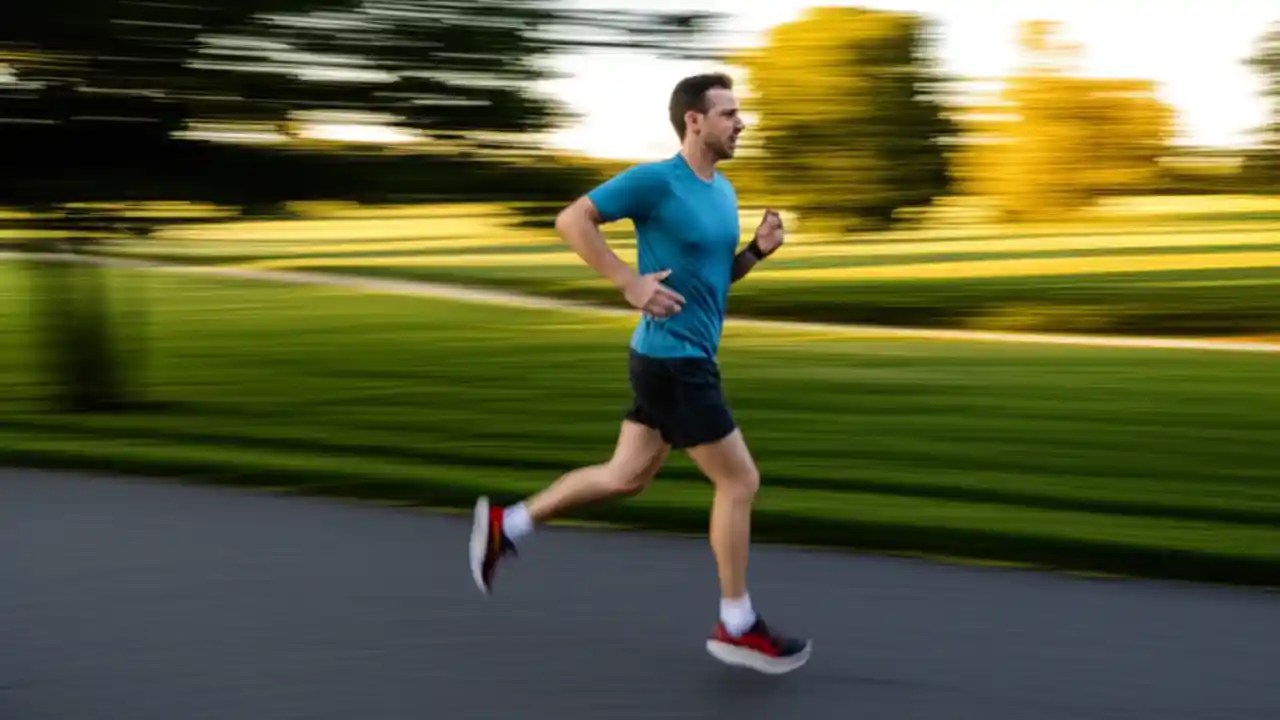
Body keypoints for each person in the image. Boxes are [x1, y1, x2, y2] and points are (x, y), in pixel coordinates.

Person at [469, 72, 811, 675]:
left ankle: (507, 524)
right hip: (673, 364)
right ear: (694, 122)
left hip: (677, 358)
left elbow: (709, 284)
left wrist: (755, 253)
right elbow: (572, 219)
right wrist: (626, 280)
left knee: (625, 477)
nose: (741, 123)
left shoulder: (724, 193)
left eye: (740, 112)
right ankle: (736, 625)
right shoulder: (657, 182)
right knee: (740, 483)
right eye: (729, 113)